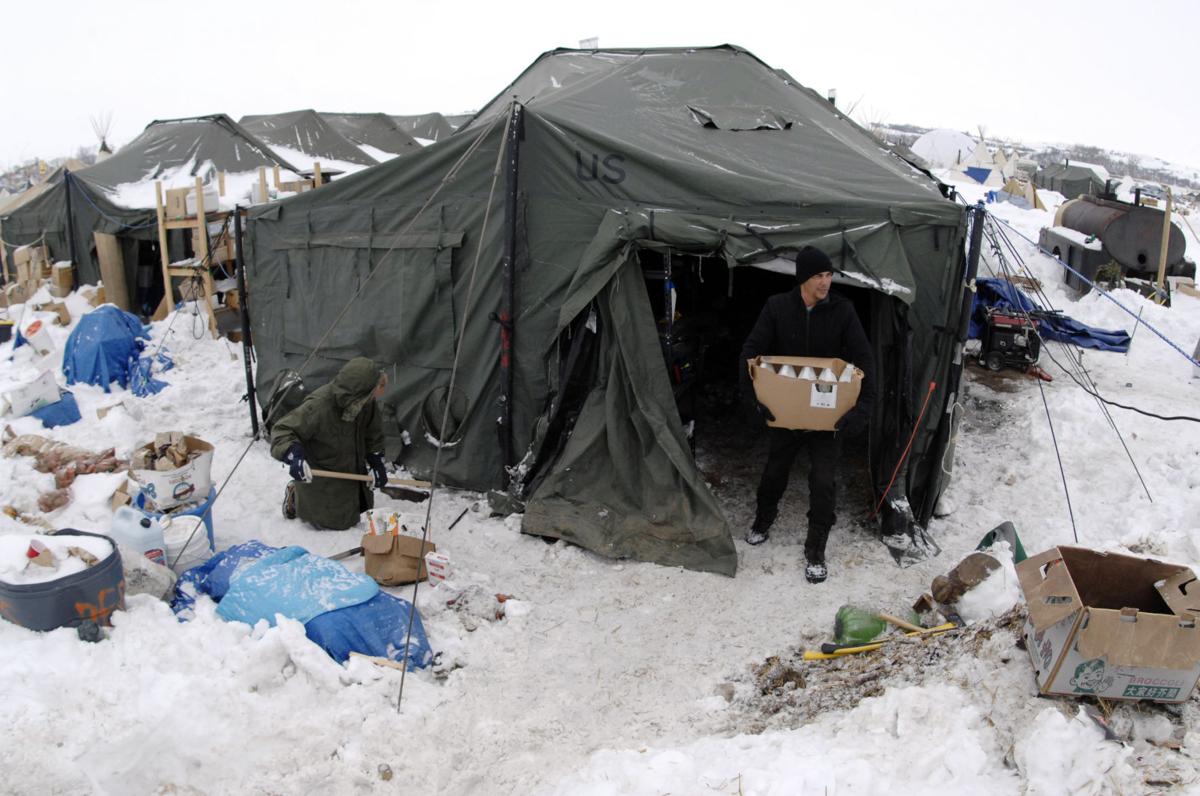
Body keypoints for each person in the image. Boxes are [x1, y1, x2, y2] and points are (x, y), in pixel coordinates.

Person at [739, 246, 875, 583]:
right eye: (818, 276)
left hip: (827, 417)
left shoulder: (843, 311)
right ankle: (762, 520)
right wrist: (753, 401)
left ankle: (816, 549)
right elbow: (750, 353)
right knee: (774, 471)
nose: (825, 282)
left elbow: (866, 360)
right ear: (803, 278)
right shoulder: (777, 307)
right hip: (787, 412)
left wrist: (861, 410)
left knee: (823, 482)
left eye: (829, 275)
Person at [270, 357, 390, 530]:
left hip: (353, 472)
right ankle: (296, 497)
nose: (375, 397)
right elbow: (282, 431)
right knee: (335, 522)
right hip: (324, 474)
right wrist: (294, 455)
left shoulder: (365, 402)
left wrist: (376, 462)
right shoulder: (319, 406)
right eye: (374, 392)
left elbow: (373, 434)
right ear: (360, 392)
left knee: (362, 511)